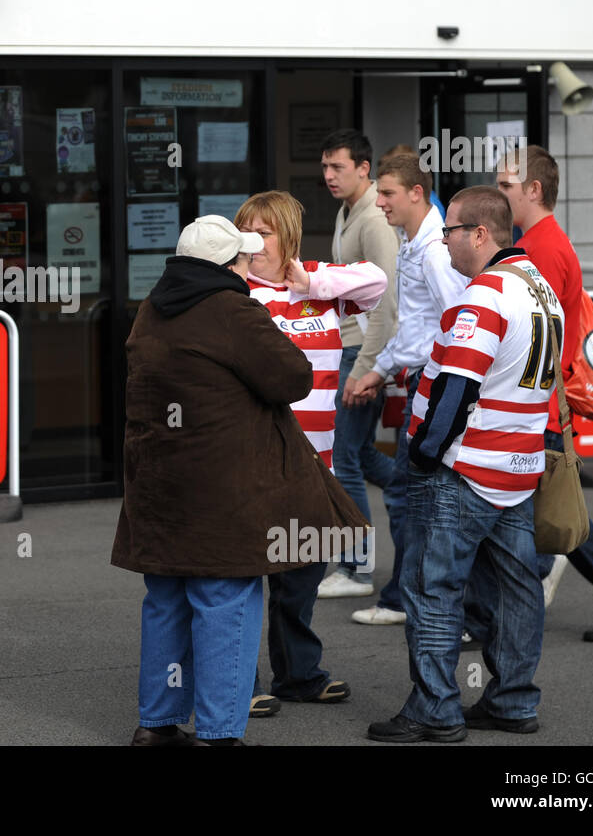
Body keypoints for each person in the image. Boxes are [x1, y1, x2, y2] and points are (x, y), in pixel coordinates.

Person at [112, 215, 367, 746]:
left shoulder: (151, 310)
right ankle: (219, 733)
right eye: (242, 256)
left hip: (157, 483)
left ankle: (156, 725)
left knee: (165, 601)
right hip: (222, 489)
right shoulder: (232, 309)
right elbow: (293, 376)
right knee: (226, 600)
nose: (249, 262)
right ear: (226, 264)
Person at [369, 186, 562, 742]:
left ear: (479, 234)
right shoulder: (539, 289)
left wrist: (426, 454)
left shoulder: (485, 296)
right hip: (516, 469)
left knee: (433, 589)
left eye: (450, 228)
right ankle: (512, 701)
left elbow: (455, 389)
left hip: (464, 469)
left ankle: (435, 707)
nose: (444, 238)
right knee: (516, 590)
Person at [233, 192, 386, 716]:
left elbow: (378, 282)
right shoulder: (234, 290)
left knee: (301, 577)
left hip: (315, 462)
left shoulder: (319, 284)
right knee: (248, 576)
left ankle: (298, 675)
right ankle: (238, 682)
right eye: (246, 231)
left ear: (290, 237)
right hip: (255, 461)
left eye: (266, 231)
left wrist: (311, 284)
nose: (255, 242)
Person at [496, 146, 593, 641]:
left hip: (538, 402)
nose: (500, 195)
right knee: (555, 509)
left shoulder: (540, 247)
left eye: (505, 186)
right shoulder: (544, 240)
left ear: (533, 190)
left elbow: (535, 333)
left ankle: (500, 614)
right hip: (544, 400)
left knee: (546, 510)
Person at [345, 151, 469, 625]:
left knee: (412, 497)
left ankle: (408, 599)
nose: (380, 202)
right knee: (415, 495)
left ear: (417, 193)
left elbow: (457, 322)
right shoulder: (415, 240)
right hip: (422, 380)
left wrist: (429, 381)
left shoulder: (435, 249)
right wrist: (378, 370)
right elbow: (416, 325)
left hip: (431, 386)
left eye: (389, 193)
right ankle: (413, 595)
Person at [320, 130, 400, 598]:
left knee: (344, 460)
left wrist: (367, 368)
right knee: (362, 452)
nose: (329, 176)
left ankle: (357, 569)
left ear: (363, 169)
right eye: (326, 167)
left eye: (338, 168)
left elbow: (386, 303)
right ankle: (413, 489)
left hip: (364, 351)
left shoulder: (373, 218)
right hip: (354, 348)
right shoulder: (349, 209)